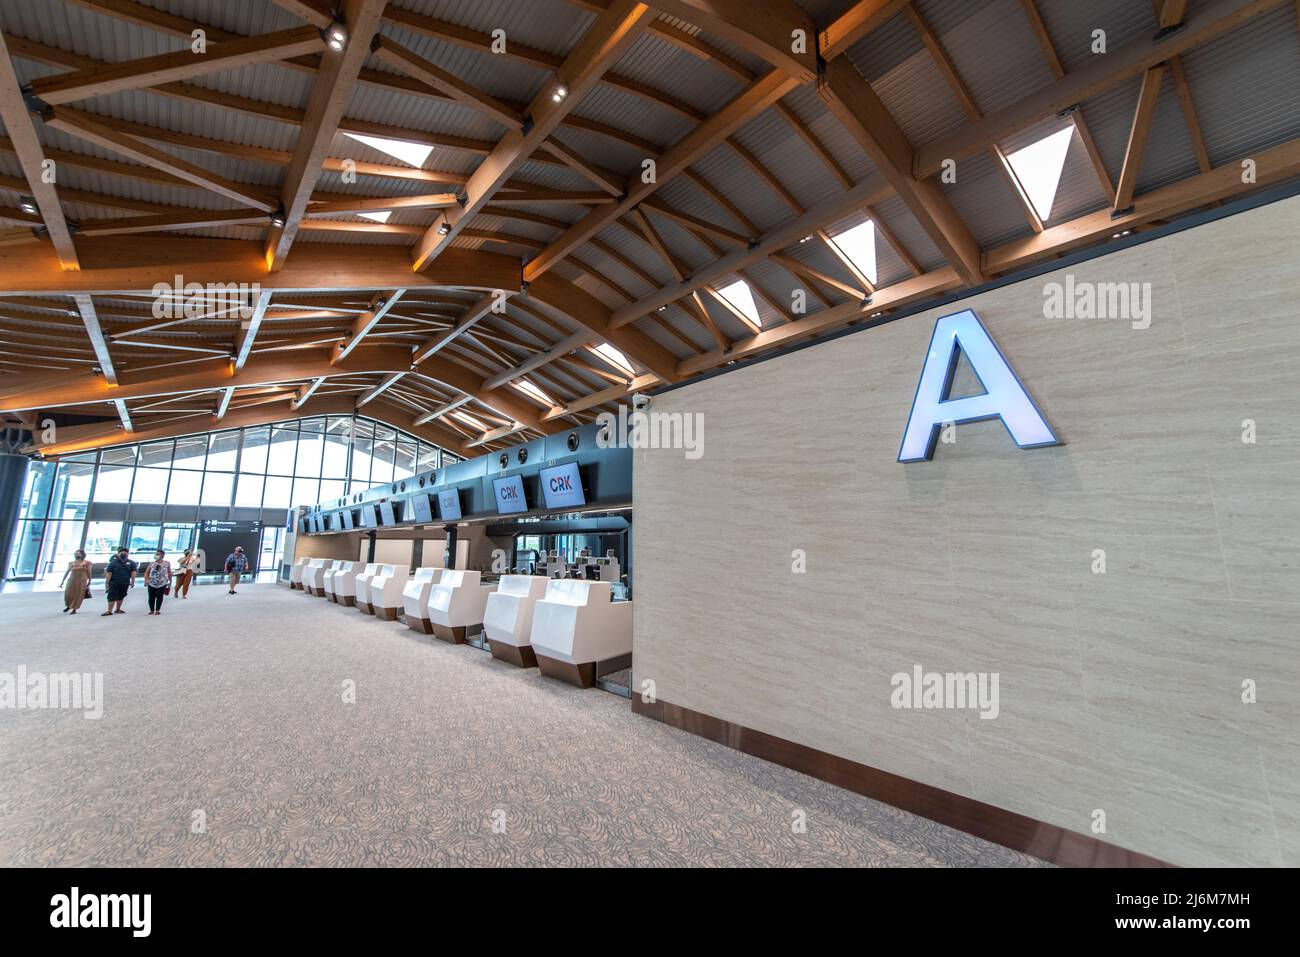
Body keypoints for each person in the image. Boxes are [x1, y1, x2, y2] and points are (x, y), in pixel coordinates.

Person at [101, 547, 136, 616]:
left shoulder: (132, 563)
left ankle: (118, 609)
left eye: (125, 552)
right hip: (114, 582)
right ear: (118, 553)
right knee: (111, 596)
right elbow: (109, 574)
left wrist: (133, 581)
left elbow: (133, 573)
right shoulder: (113, 563)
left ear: (128, 554)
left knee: (121, 595)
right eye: (121, 552)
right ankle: (109, 611)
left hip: (125, 582)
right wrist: (107, 583)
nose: (123, 553)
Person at [60, 549, 92, 615]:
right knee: (68, 593)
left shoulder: (87, 563)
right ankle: (69, 605)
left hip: (82, 580)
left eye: (78, 553)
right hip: (72, 579)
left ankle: (74, 608)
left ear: (82, 554)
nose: (77, 554)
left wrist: (89, 580)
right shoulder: (71, 563)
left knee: (78, 594)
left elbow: (89, 572)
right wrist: (62, 581)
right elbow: (67, 572)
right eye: (76, 553)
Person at [144, 549, 173, 616]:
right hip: (152, 582)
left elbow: (169, 572)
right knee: (151, 597)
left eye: (158, 554)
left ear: (162, 555)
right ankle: (151, 610)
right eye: (156, 554)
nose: (156, 555)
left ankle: (157, 610)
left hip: (162, 582)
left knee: (159, 596)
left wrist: (170, 580)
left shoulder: (167, 563)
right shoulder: (152, 563)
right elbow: (146, 573)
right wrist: (146, 580)